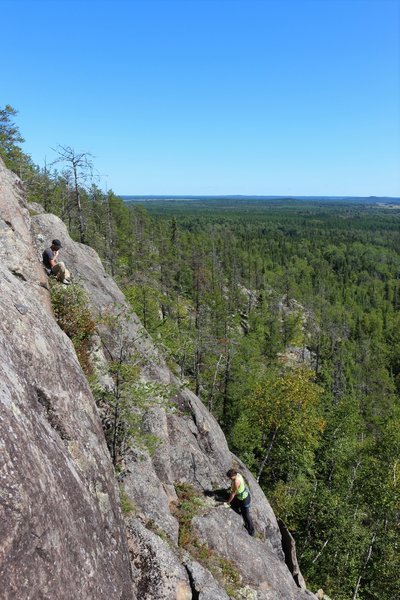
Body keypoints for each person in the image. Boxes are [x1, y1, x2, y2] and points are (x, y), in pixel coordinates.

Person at [226, 468, 255, 536]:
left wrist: (228, 502)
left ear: (234, 475)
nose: (230, 478)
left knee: (246, 515)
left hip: (244, 499)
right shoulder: (238, 474)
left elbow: (233, 493)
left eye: (230, 477)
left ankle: (251, 531)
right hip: (242, 496)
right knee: (236, 507)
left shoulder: (236, 482)